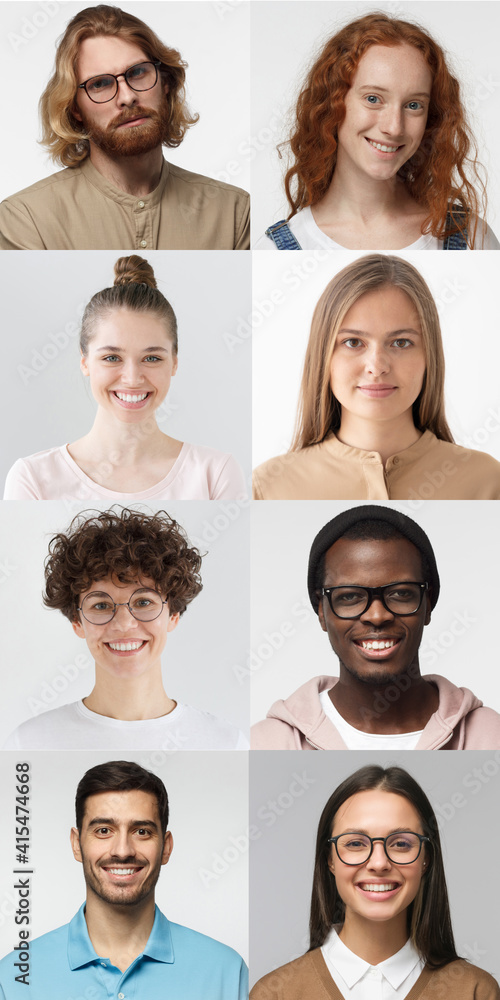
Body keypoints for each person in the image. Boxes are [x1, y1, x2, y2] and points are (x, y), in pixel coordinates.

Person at [0, 5, 249, 250]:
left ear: (165, 82)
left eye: (138, 71)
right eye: (100, 84)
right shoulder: (26, 220)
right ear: (75, 108)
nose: (127, 97)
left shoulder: (234, 213)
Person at [251, 504, 500, 750]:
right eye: (349, 596)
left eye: (401, 593)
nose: (378, 615)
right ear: (321, 612)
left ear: (427, 605)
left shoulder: (491, 735)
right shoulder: (266, 743)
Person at [252, 254, 500, 500]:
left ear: (429, 357)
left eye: (401, 343)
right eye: (353, 342)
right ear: (323, 357)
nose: (377, 366)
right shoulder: (268, 488)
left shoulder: (488, 482)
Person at [4, 254, 246, 501]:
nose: (132, 379)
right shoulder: (32, 479)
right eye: (112, 358)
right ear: (85, 361)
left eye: (151, 358)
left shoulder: (215, 474)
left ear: (174, 362)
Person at [4, 507, 248, 750]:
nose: (123, 624)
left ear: (173, 615)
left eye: (143, 602)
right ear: (77, 622)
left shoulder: (227, 743)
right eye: (101, 605)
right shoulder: (28, 743)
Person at [0, 760, 248, 998]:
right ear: (77, 845)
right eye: (104, 830)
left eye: (142, 832)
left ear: (166, 848)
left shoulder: (226, 972)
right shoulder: (13, 978)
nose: (122, 850)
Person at [250, 764, 500, 999]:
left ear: (426, 859)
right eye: (356, 843)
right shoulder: (275, 993)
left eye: (401, 843)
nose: (379, 863)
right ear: (330, 860)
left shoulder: (475, 991)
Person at [254, 12, 498, 252]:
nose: (393, 127)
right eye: (373, 98)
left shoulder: (473, 240)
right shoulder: (274, 251)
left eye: (414, 105)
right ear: (332, 104)